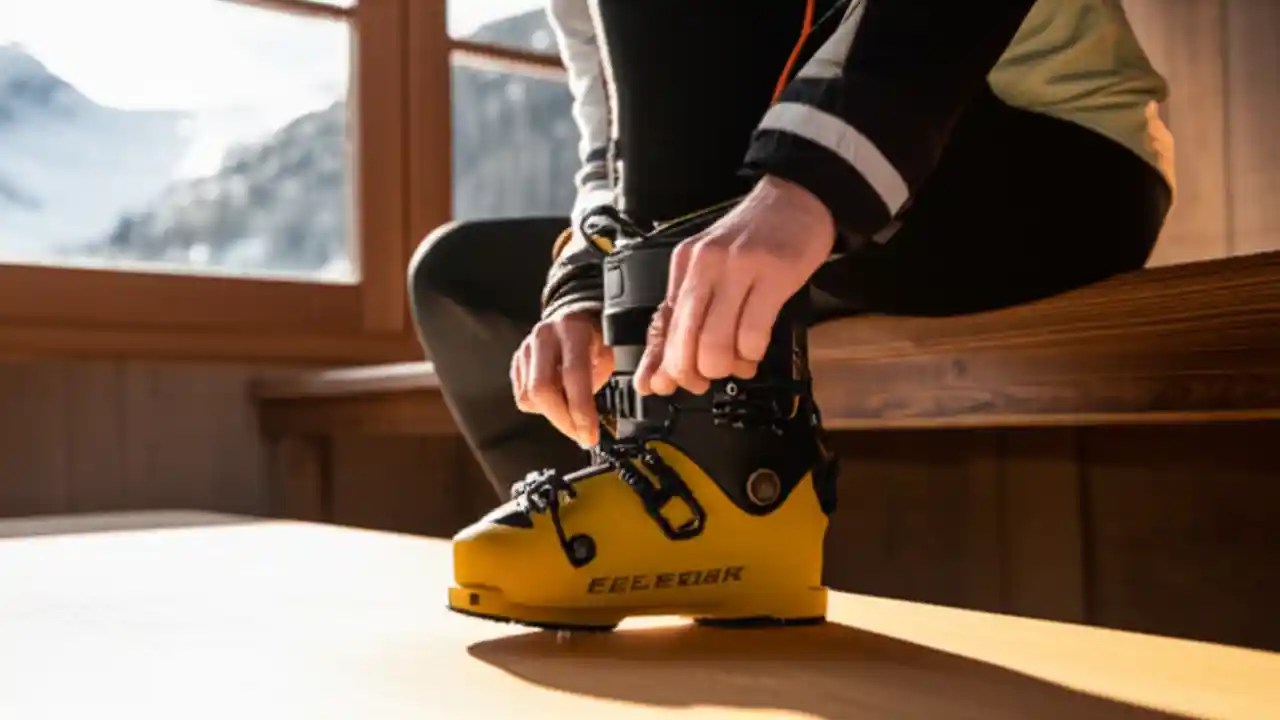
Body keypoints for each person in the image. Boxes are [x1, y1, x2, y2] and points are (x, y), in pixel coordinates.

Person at [412, 0, 1175, 630]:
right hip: (793, 182)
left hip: (1043, 152)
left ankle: (721, 498)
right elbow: (614, 131)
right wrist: (585, 285)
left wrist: (809, 189)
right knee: (459, 280)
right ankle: (659, 527)